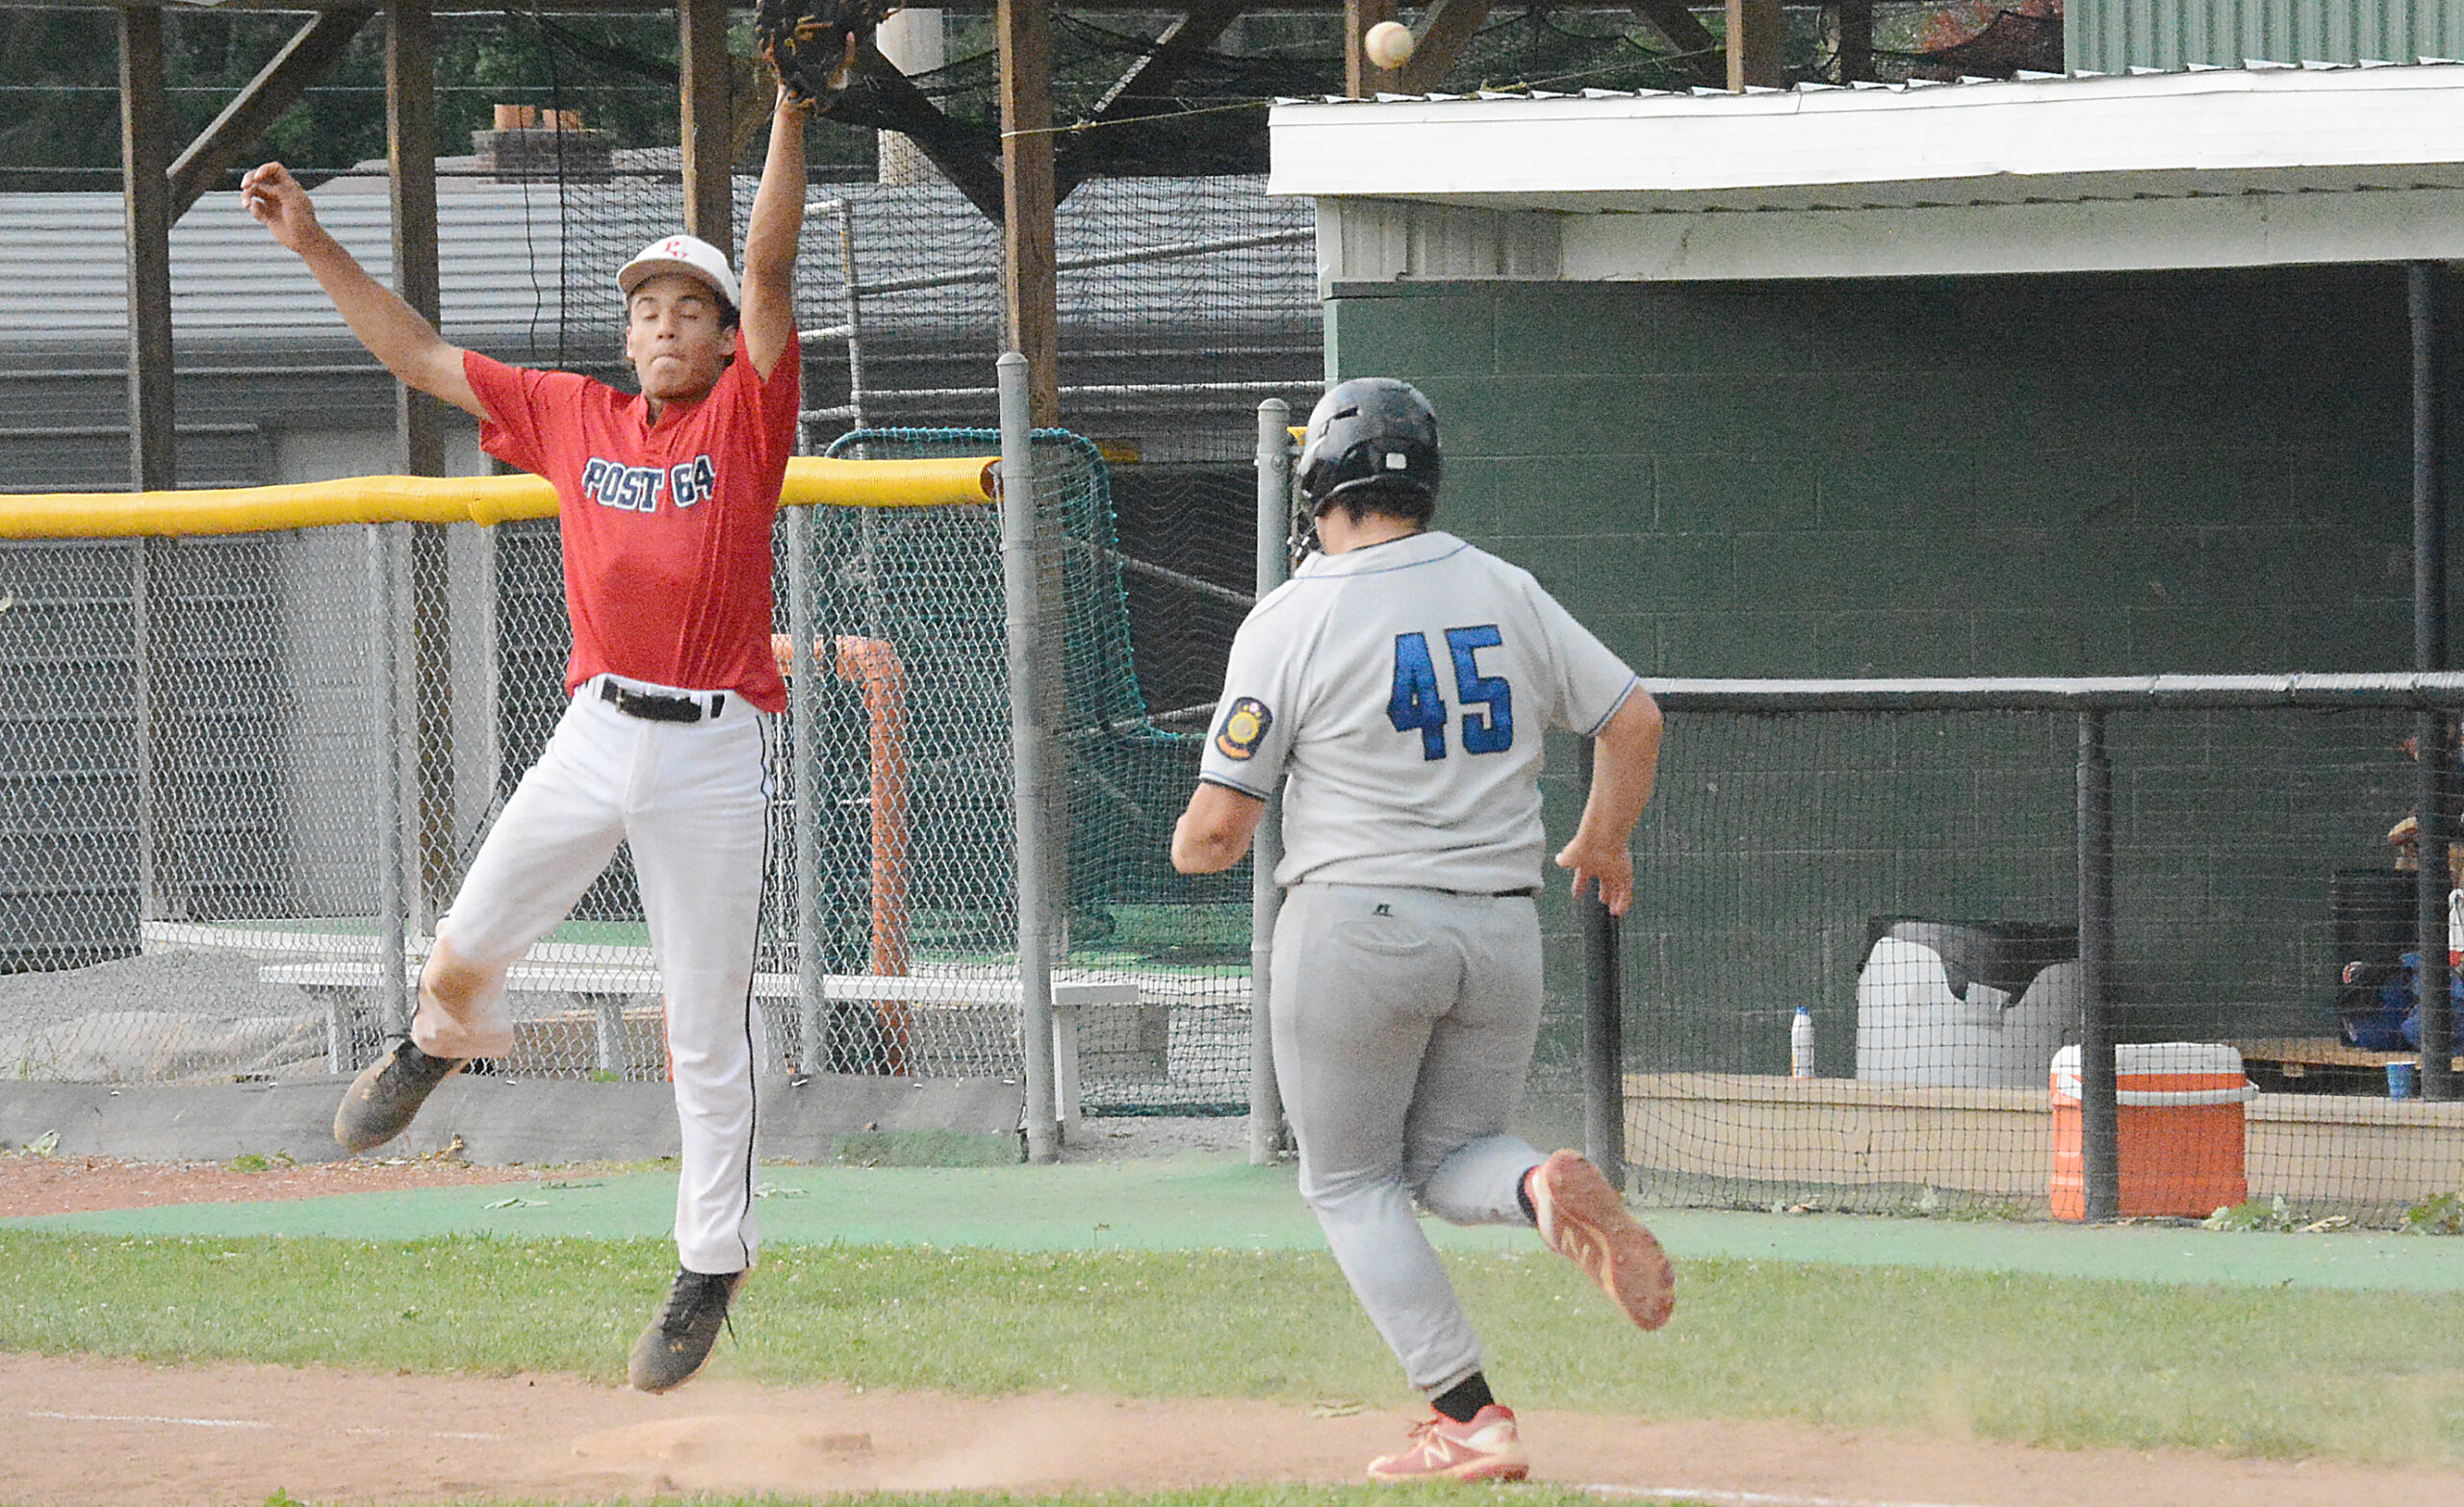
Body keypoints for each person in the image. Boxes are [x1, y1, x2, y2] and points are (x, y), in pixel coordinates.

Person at [241, 83, 811, 1394]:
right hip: (595, 731)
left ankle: (710, 1263)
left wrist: (788, 106)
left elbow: (771, 267)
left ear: (727, 338)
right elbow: (421, 357)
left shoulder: (746, 416)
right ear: (628, 335)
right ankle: (440, 1039)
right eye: (647, 307)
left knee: (702, 1029)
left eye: (691, 308)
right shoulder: (574, 415)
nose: (665, 323)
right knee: (461, 949)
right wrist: (315, 244)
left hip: (714, 749)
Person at [1171, 377, 1674, 1482]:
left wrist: (1187, 846)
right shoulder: (1503, 587)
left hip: (1358, 924)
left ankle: (1469, 1417)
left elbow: (1215, 833)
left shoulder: (1294, 614)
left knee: (1348, 1184)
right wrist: (1602, 842)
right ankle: (1538, 1187)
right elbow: (1632, 719)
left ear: (1319, 487)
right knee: (1450, 1163)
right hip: (1499, 931)